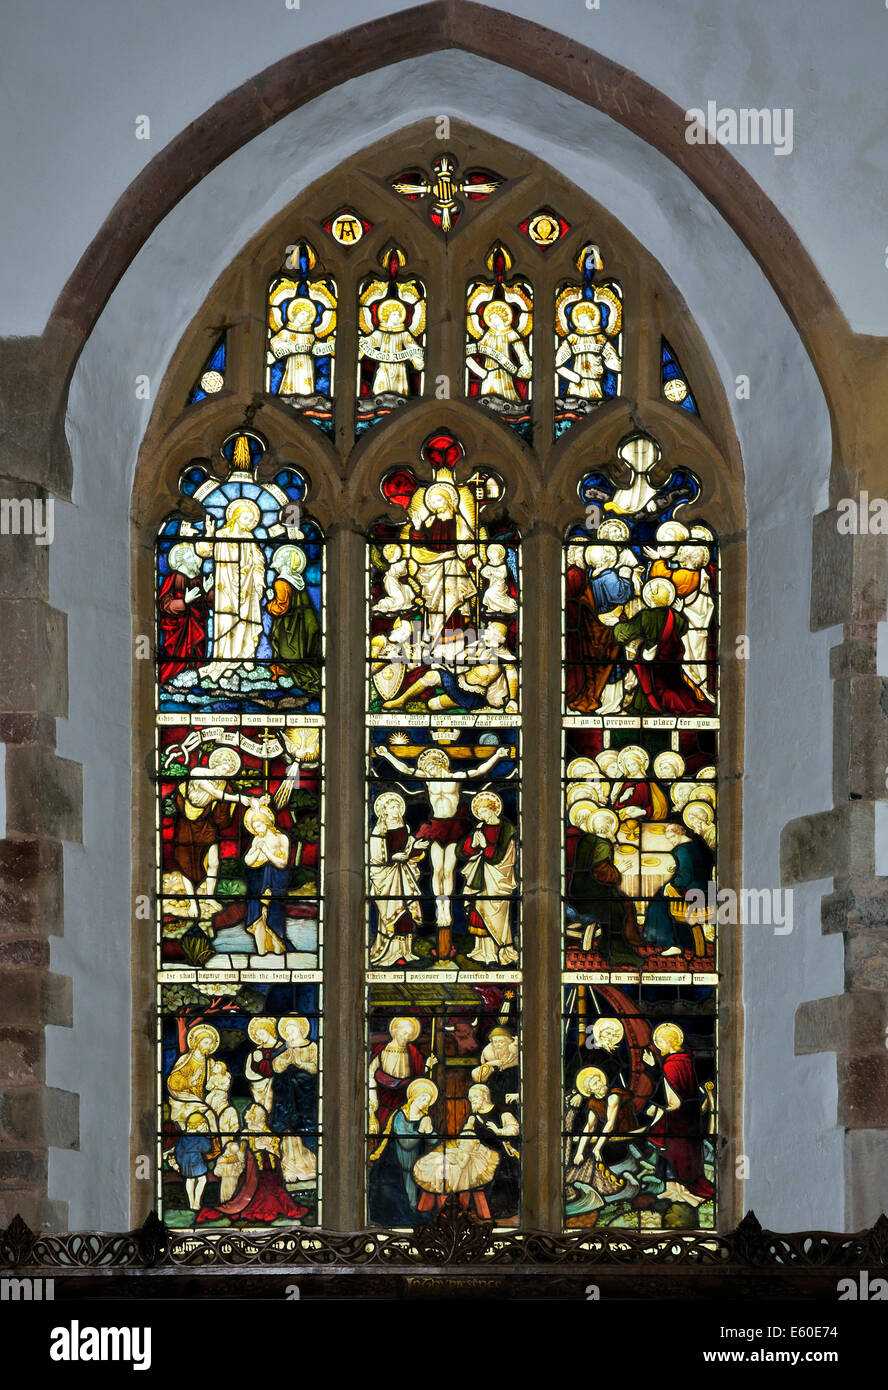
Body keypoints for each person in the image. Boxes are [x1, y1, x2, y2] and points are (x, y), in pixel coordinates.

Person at [373, 740, 510, 953]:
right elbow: (407, 770)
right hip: (436, 825)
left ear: (440, 763)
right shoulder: (428, 779)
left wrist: (498, 756)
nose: (428, 769)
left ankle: (448, 908)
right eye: (426, 767)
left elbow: (478, 770)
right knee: (437, 869)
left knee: (449, 870)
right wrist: (387, 754)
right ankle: (441, 908)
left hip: (455, 825)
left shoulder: (455, 777)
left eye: (431, 765)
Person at [196, 1103, 309, 1225]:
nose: (249, 1119)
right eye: (250, 1117)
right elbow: (242, 1152)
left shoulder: (270, 1134)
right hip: (254, 1175)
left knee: (278, 1193)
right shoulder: (246, 1133)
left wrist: (269, 1146)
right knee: (258, 1197)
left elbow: (277, 1153)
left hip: (271, 1173)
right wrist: (256, 1148)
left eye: (253, 1117)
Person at [613, 578, 711, 716]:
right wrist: (677, 612)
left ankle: (646, 707)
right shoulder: (675, 617)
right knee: (674, 687)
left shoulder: (646, 616)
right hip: (671, 664)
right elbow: (682, 629)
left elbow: (623, 634)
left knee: (650, 684)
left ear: (650, 597)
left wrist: (616, 626)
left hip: (653, 662)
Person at [195, 498, 267, 680]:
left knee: (248, 621)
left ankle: (245, 656)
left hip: (248, 587)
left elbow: (259, 561)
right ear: (235, 517)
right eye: (245, 518)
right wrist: (209, 534)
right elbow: (204, 551)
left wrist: (259, 581)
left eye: (251, 520)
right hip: (226, 587)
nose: (248, 523)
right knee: (226, 624)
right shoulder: (221, 535)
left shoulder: (250, 538)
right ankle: (225, 662)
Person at [643, 1023, 714, 1205]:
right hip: (689, 1115)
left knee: (673, 1150)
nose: (659, 1047)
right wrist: (654, 1069)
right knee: (676, 1151)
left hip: (678, 1117)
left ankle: (680, 1190)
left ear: (669, 1042)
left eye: (660, 1042)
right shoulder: (685, 1060)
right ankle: (672, 1189)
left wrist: (658, 1108)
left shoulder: (672, 1064)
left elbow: (672, 1098)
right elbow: (667, 1086)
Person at [564, 805, 640, 962]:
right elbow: (601, 873)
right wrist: (617, 872)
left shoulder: (586, 839)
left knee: (622, 902)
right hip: (592, 897)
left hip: (577, 891)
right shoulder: (603, 844)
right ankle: (615, 950)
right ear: (609, 828)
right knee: (621, 907)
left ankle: (628, 939)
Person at [458, 791, 519, 966]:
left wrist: (485, 846)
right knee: (479, 911)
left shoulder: (506, 829)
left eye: (484, 811)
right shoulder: (480, 828)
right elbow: (464, 851)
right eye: (479, 813)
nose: (482, 815)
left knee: (497, 915)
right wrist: (473, 845)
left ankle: (500, 949)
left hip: (499, 878)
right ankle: (481, 950)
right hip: (481, 877)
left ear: (493, 810)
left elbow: (501, 856)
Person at [368, 1079, 439, 1226]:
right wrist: (421, 1131)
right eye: (423, 1098)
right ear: (414, 1097)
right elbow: (406, 1143)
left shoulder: (424, 1118)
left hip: (416, 1161)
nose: (426, 1103)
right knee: (402, 1195)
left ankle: (412, 1218)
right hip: (396, 1163)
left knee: (414, 1194)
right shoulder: (400, 1116)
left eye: (429, 1100)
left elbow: (434, 1142)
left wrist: (430, 1131)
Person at [368, 792, 425, 967]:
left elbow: (407, 850)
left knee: (407, 911)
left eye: (398, 806)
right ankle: (390, 953)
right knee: (394, 912)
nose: (397, 810)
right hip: (388, 877)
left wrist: (416, 847)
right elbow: (376, 856)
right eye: (392, 807)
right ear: (384, 810)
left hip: (403, 874)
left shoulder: (404, 826)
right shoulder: (379, 829)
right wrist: (393, 858)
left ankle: (406, 952)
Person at [643, 820, 714, 955]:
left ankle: (672, 942)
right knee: (662, 893)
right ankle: (683, 941)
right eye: (669, 839)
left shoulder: (683, 851)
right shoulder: (697, 843)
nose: (671, 841)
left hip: (693, 892)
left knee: (660, 899)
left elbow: (685, 877)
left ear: (680, 833)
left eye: (672, 837)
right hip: (705, 887)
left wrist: (672, 884)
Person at [270, 1016, 318, 1185]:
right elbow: (276, 1066)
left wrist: (298, 1063)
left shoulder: (312, 1046)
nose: (289, 1033)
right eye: (287, 1031)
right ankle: (290, 1168)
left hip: (307, 1096)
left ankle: (310, 1168)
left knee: (306, 1130)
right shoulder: (286, 1048)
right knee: (289, 1133)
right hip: (288, 1100)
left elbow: (315, 1067)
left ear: (301, 1029)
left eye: (292, 1029)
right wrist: (285, 1054)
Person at [266, 544, 321, 692]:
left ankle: (284, 672)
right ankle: (283, 672)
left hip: (288, 624)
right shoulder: (298, 580)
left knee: (286, 651)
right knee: (300, 650)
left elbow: (281, 607)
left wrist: (269, 605)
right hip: (302, 621)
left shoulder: (281, 582)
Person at [369, 1017, 435, 1137]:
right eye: (404, 1033)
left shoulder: (413, 1052)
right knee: (383, 1130)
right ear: (394, 1032)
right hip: (383, 1097)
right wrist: (373, 1098)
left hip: (405, 1097)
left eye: (409, 1035)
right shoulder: (382, 1050)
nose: (406, 1037)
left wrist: (427, 1067)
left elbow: (418, 1078)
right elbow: (370, 1073)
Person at [158, 542, 211, 683]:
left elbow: (204, 604)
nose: (194, 559)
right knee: (178, 658)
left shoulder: (198, 578)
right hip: (179, 628)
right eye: (190, 557)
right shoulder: (174, 578)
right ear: (181, 561)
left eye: (194, 556)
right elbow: (164, 604)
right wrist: (184, 602)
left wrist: (206, 592)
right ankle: (176, 679)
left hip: (198, 623)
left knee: (198, 652)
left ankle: (194, 676)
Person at [243, 798, 290, 957]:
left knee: (274, 914)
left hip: (276, 881)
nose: (256, 829)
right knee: (258, 918)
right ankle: (261, 951)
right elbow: (248, 861)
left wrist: (267, 853)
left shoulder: (282, 838)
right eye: (254, 827)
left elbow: (283, 863)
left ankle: (278, 948)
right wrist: (257, 849)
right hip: (258, 881)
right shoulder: (257, 839)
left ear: (267, 822)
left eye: (258, 825)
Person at [267, 295, 333, 397]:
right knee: (292, 381)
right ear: (296, 313)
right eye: (303, 314)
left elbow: (315, 347)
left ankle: (306, 398)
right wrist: (288, 346)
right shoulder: (286, 331)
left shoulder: (309, 334)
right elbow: (274, 342)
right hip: (293, 362)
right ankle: (289, 396)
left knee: (306, 382)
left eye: (307, 316)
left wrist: (328, 346)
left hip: (307, 363)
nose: (305, 318)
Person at [555, 300, 621, 400]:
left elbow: (615, 362)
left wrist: (612, 363)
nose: (580, 321)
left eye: (583, 317)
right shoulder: (573, 338)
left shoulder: (601, 339)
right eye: (578, 318)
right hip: (575, 386)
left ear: (590, 316)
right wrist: (570, 375)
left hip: (594, 383)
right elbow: (556, 362)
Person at [359, 297, 425, 396]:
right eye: (395, 314)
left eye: (399, 315)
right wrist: (364, 342)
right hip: (384, 367)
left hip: (399, 368)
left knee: (399, 391)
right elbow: (371, 340)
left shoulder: (403, 333)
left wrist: (417, 359)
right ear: (388, 315)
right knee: (380, 387)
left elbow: (412, 347)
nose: (398, 317)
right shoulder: (380, 331)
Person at [467, 301, 531, 403]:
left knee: (508, 399)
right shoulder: (488, 334)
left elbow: (522, 354)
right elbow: (478, 348)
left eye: (494, 318)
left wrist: (526, 364)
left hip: (505, 372)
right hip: (489, 374)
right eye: (490, 319)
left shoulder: (512, 334)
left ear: (501, 317)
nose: (492, 321)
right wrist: (479, 370)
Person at [166, 1023, 220, 1130]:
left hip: (203, 1099)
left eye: (210, 1044)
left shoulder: (210, 1063)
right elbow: (172, 1082)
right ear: (197, 1043)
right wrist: (189, 1083)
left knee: (212, 1114)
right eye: (205, 1043)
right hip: (183, 1100)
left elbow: (216, 1082)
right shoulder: (185, 1060)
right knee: (208, 1115)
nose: (208, 1046)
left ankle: (215, 1143)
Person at [171, 1113, 220, 1212]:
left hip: (186, 1161)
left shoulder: (183, 1137)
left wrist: (180, 1163)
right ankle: (197, 1203)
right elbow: (207, 1148)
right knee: (202, 1179)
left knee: (190, 1180)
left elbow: (178, 1150)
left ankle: (191, 1203)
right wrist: (205, 1136)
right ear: (200, 1125)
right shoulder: (199, 1137)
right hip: (196, 1160)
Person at [244, 1016, 279, 1114]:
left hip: (278, 1087)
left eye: (261, 1033)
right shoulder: (256, 1052)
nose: (259, 1037)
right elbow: (249, 1071)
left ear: (269, 1030)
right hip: (258, 1086)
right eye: (257, 1035)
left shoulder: (282, 1048)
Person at [478, 543, 517, 614]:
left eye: (494, 552)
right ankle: (493, 608)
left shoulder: (502, 564)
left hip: (500, 584)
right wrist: (486, 571)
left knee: (489, 593)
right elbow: (483, 572)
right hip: (492, 583)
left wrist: (493, 572)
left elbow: (503, 574)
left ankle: (508, 606)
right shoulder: (490, 564)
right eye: (490, 552)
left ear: (499, 553)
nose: (492, 554)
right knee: (489, 594)